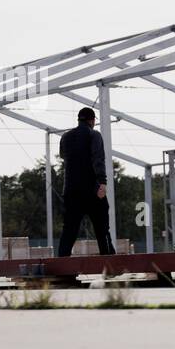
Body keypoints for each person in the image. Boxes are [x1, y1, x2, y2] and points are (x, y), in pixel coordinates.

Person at [56, 107, 116, 257]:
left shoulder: (65, 137)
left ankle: (62, 263)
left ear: (78, 119)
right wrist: (102, 182)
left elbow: (63, 155)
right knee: (102, 229)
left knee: (69, 229)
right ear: (92, 120)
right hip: (92, 189)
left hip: (71, 191)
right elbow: (98, 159)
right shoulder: (94, 135)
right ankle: (109, 262)